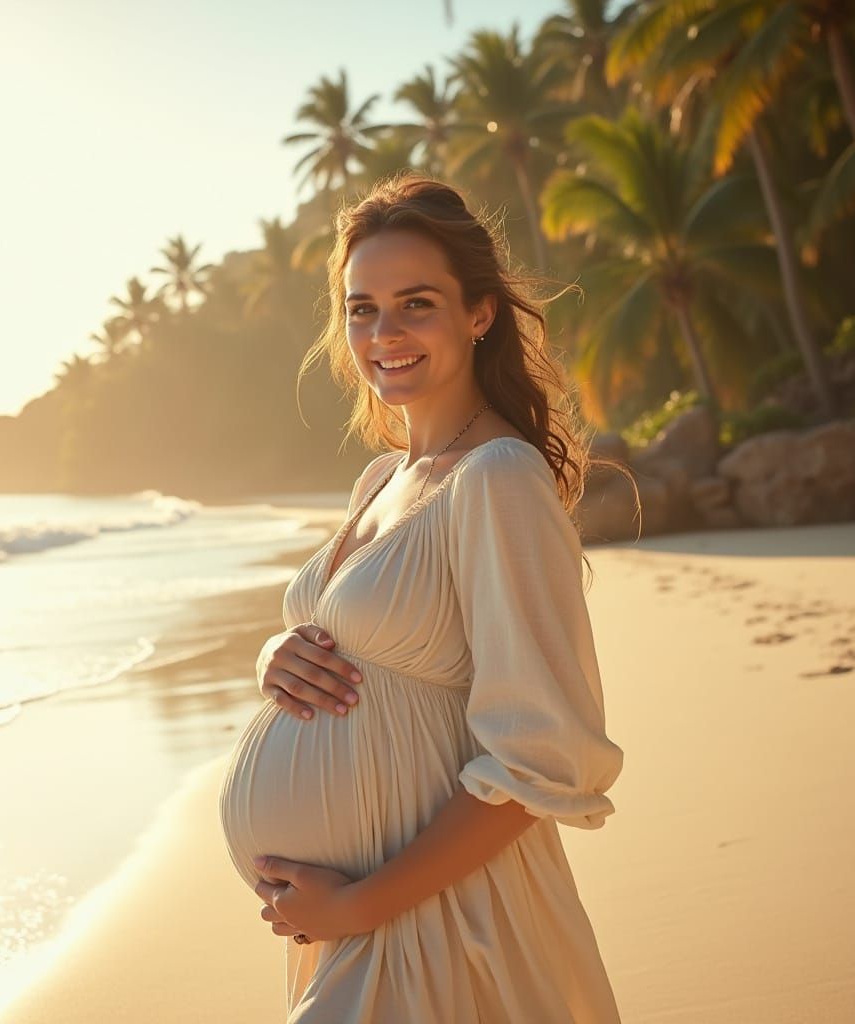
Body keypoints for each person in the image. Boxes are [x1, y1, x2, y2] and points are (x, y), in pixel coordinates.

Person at [219, 172, 631, 1022]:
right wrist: (275, 651)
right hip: (364, 922)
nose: (384, 332)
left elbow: (542, 758)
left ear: (478, 313)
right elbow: (355, 635)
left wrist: (360, 905)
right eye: (361, 308)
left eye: (416, 303)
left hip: (437, 917)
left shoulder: (500, 477)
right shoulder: (383, 478)